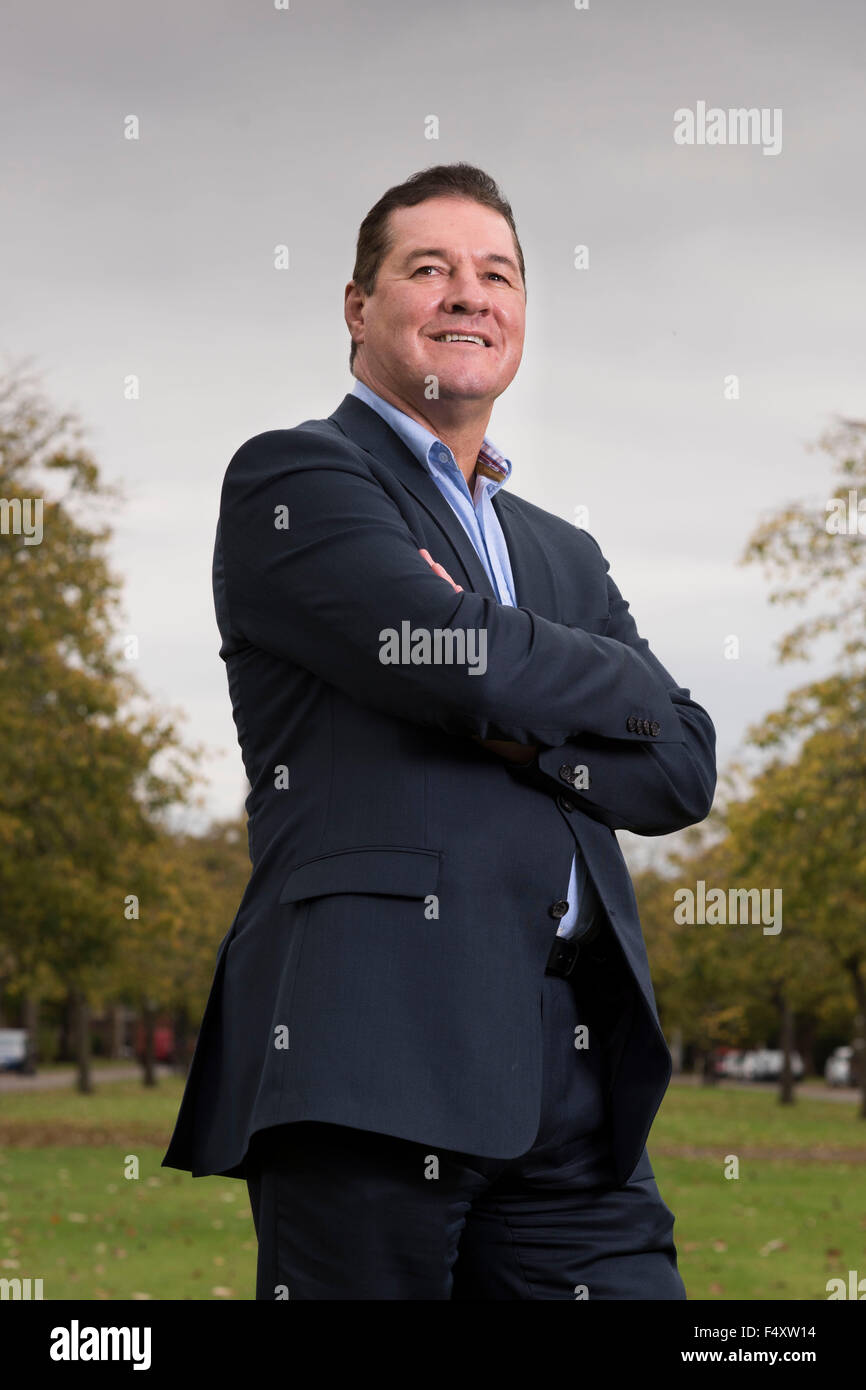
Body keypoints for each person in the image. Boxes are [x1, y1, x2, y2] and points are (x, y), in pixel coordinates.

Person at [162, 161, 716, 1300]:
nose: (469, 293)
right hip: (375, 1048)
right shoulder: (298, 481)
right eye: (430, 268)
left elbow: (681, 762)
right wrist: (562, 676)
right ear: (358, 307)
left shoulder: (561, 551)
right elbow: (452, 660)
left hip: (573, 1067)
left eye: (495, 273)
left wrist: (517, 704)